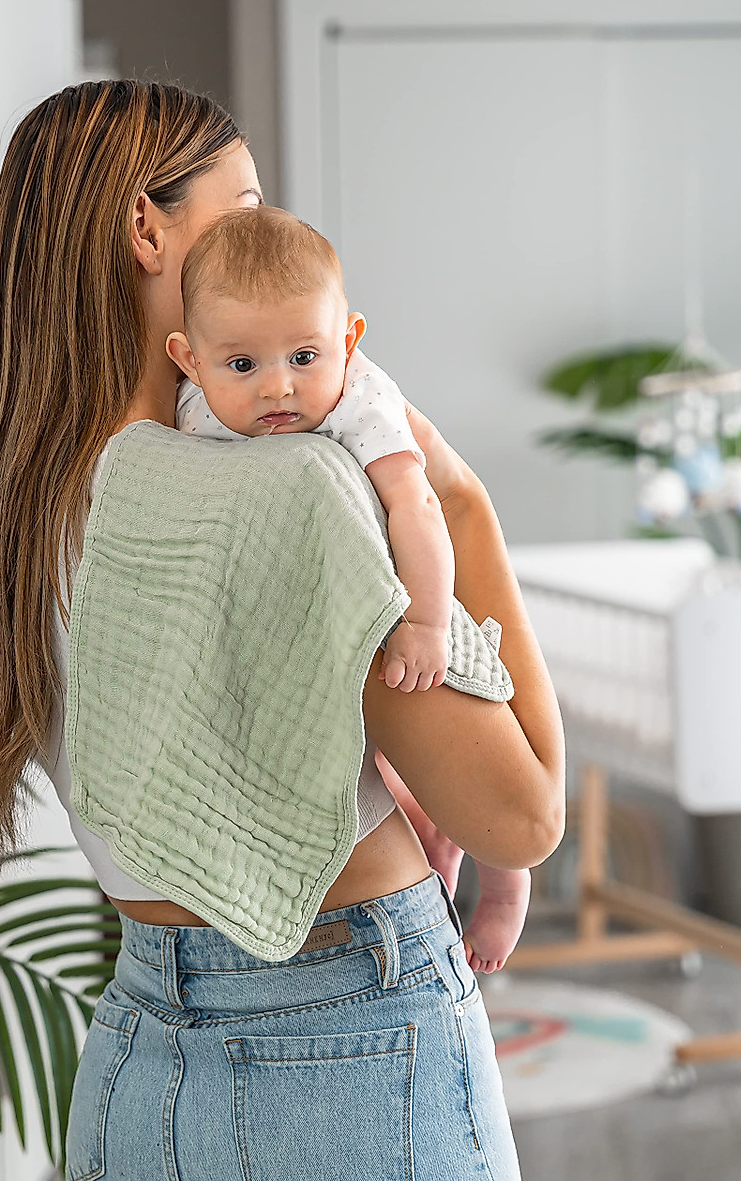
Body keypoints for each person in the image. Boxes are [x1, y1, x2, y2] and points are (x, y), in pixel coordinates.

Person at [0, 79, 565, 1181]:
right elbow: (523, 815)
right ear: (146, 227)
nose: (269, 232)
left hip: (137, 1049)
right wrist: (459, 501)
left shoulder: (13, 502)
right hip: (349, 1027)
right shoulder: (293, 490)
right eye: (249, 200)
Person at [166, 203, 533, 973]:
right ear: (188, 360)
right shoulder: (192, 415)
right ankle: (439, 848)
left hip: (412, 591)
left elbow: (419, 504)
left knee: (474, 727)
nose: (279, 389)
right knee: (382, 774)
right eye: (244, 366)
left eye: (305, 356)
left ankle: (504, 891)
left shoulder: (358, 400)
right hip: (327, 623)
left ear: (348, 340)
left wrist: (430, 624)